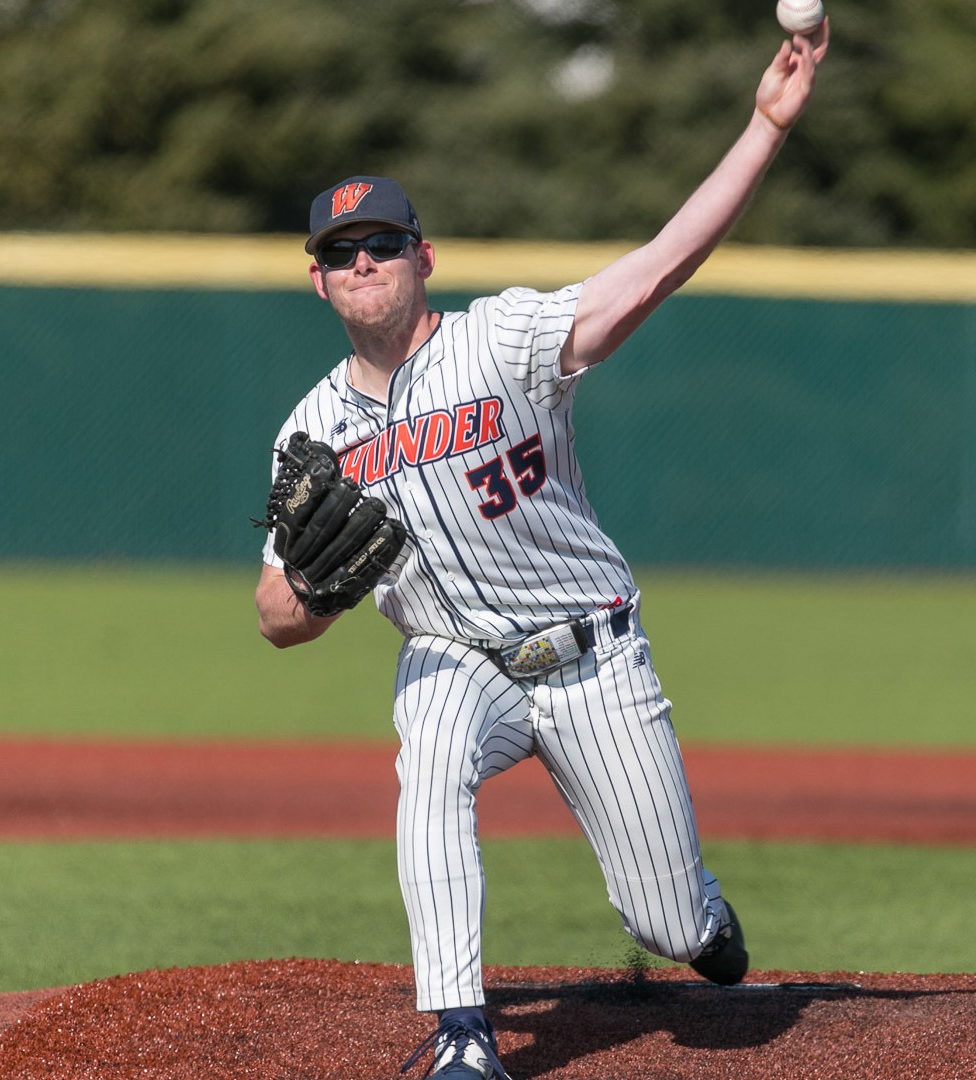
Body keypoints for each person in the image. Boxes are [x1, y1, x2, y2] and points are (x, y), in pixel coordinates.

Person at [253, 21, 830, 1080]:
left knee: (661, 917)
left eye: (382, 243)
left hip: (593, 655)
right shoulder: (311, 432)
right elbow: (277, 618)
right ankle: (465, 1036)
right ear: (318, 282)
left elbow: (657, 269)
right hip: (453, 658)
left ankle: (699, 920)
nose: (364, 261)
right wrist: (314, 588)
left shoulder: (503, 340)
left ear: (424, 257)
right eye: (341, 253)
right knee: (425, 762)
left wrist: (764, 128)